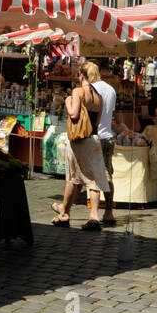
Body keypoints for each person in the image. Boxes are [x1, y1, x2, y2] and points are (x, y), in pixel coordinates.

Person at [51, 60, 111, 231]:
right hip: (93, 138)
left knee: (72, 178)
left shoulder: (78, 92)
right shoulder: (98, 97)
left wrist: (68, 101)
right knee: (93, 178)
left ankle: (65, 214)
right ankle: (93, 216)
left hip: (79, 140)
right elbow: (97, 123)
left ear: (82, 75)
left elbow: (74, 114)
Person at [91, 62, 118, 225]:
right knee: (107, 174)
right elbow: (111, 115)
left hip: (95, 136)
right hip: (107, 135)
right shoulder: (111, 90)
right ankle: (108, 211)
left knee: (92, 175)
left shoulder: (92, 88)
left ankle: (93, 213)